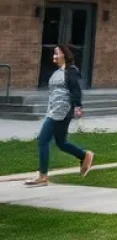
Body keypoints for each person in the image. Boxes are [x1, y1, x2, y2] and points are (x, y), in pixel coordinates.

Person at [23, 44, 94, 187]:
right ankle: (84, 155)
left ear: (64, 54)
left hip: (62, 111)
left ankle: (43, 176)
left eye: (57, 53)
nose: (54, 56)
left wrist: (78, 107)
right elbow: (54, 94)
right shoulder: (56, 73)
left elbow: (75, 90)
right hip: (53, 110)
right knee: (61, 143)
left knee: (43, 140)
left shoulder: (71, 71)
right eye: (53, 53)